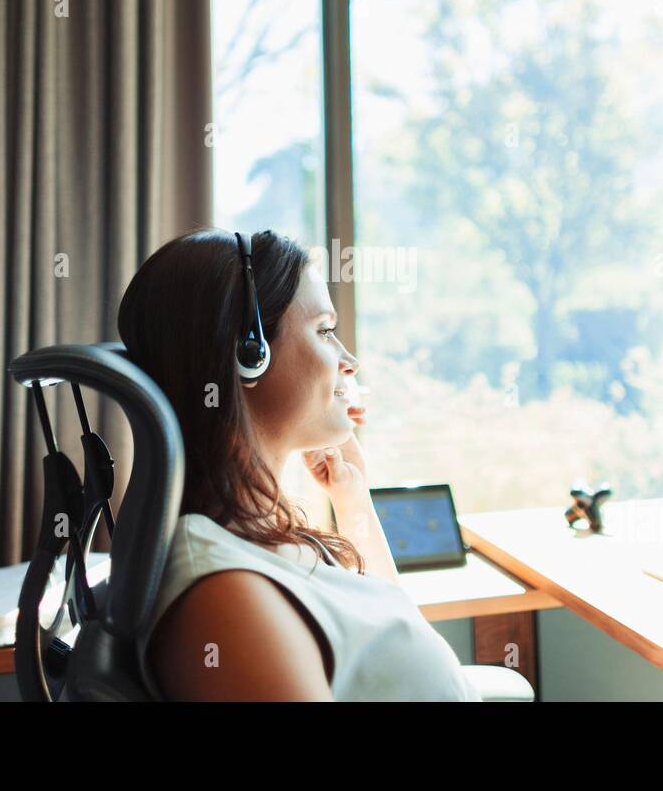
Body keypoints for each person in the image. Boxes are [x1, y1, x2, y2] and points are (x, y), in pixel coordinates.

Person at [117, 228, 482, 701]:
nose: (348, 361)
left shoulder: (260, 531)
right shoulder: (224, 595)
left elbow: (386, 629)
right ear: (249, 353)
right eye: (325, 331)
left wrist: (352, 498)